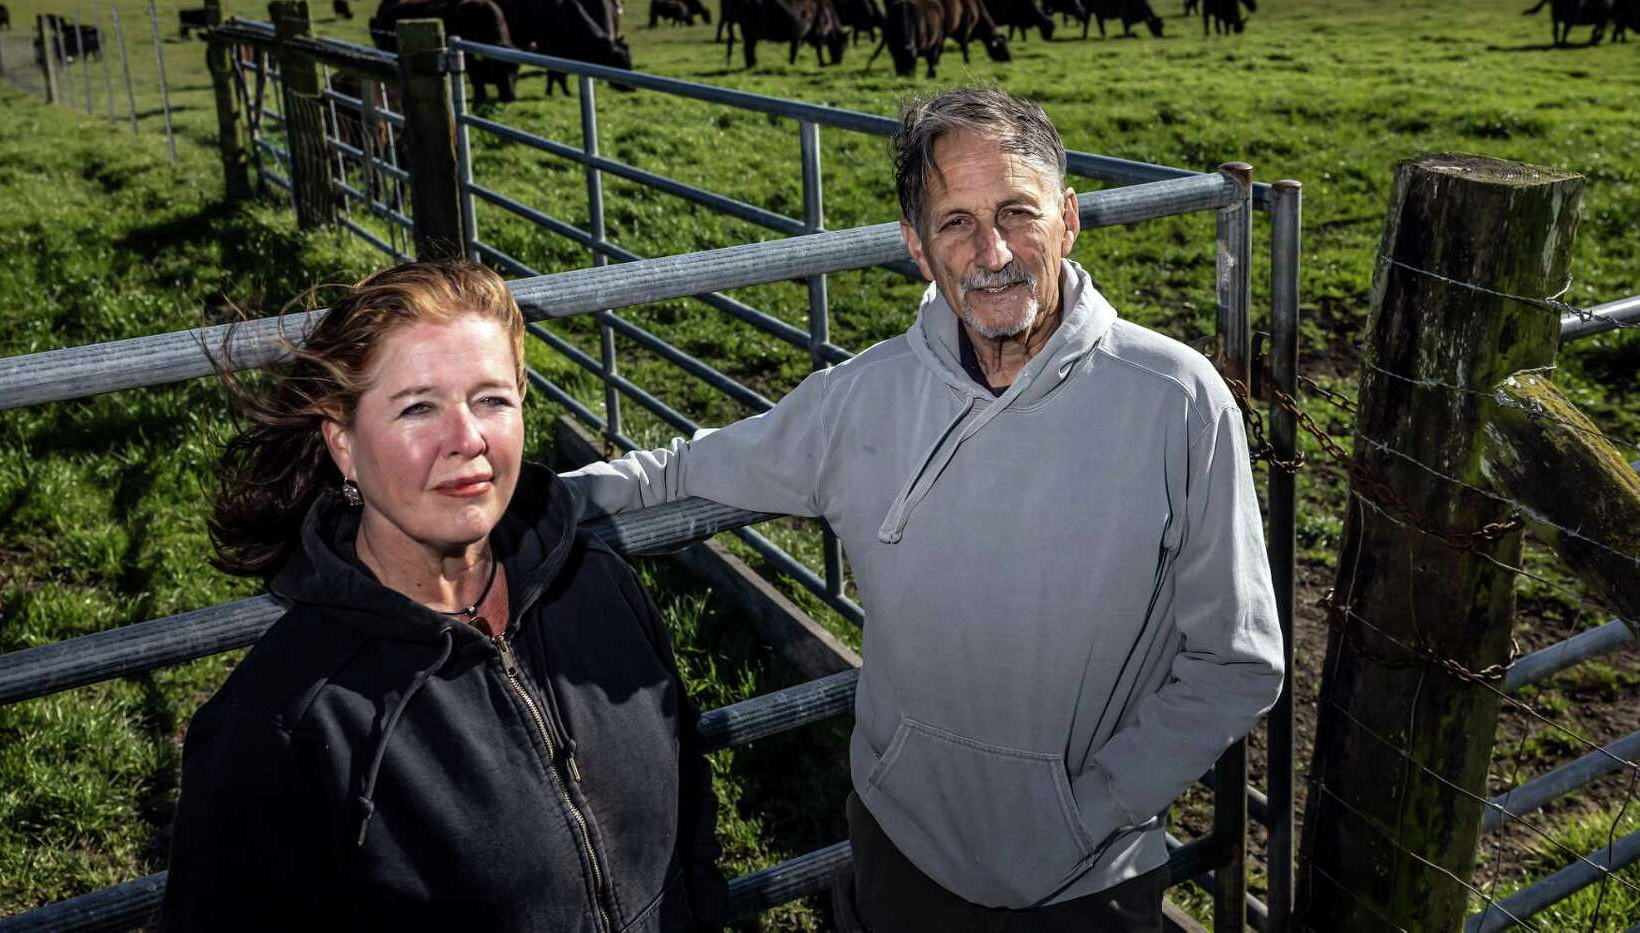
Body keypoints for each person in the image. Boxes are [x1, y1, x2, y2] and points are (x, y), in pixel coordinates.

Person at [563, 87, 1285, 929]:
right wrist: (511, 504)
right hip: (900, 849)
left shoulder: (1176, 401)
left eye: (1017, 212)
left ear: (1069, 218)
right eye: (956, 223)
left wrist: (1091, 810)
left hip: (1089, 881)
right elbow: (681, 473)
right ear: (916, 245)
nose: (993, 251)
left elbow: (1238, 659)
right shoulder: (861, 401)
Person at [162, 261, 726, 932]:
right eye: (418, 407)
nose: (467, 440)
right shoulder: (282, 723)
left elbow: (689, 803)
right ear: (343, 444)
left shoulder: (597, 585)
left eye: (491, 400)